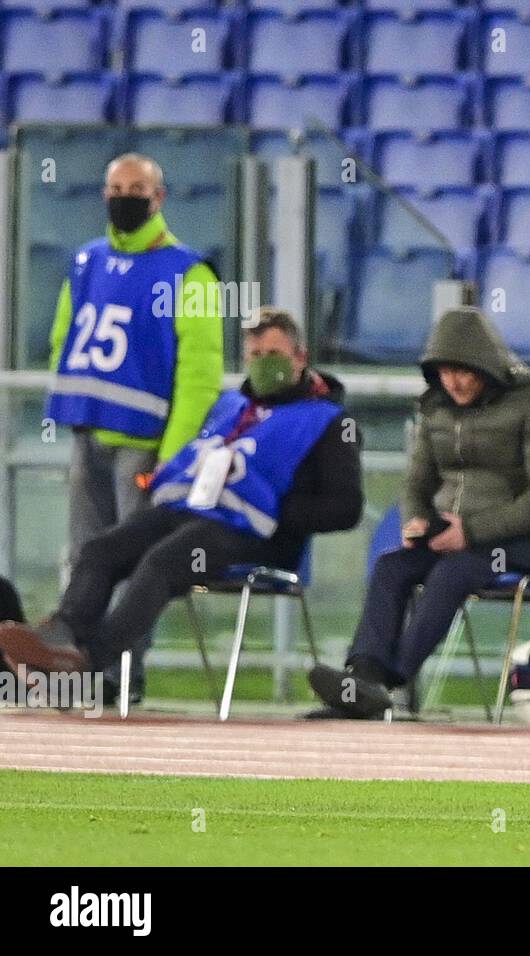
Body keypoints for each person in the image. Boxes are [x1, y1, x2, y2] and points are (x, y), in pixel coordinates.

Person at [0, 309, 363, 681]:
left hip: (260, 535)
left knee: (163, 561)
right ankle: (61, 634)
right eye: (254, 355)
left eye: (273, 355)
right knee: (102, 549)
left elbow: (346, 509)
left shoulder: (331, 423)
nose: (262, 364)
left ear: (300, 357)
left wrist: (272, 504)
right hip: (196, 511)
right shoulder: (233, 408)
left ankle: (88, 661)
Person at [308, 306, 530, 719]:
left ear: (487, 366)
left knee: (455, 569)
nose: (454, 381)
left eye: (464, 371)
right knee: (392, 566)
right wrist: (415, 521)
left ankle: (392, 681)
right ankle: (360, 676)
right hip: (457, 538)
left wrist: (470, 531)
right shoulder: (435, 408)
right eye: (445, 372)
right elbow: (416, 485)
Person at [45, 153, 224, 695]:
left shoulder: (189, 272)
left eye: (136, 188)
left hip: (146, 446)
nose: (124, 198)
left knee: (136, 560)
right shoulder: (86, 262)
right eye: (115, 187)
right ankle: (72, 664)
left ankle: (121, 672)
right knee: (84, 555)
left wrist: (177, 449)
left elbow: (199, 373)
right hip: (89, 433)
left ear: (159, 197)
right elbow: (63, 340)